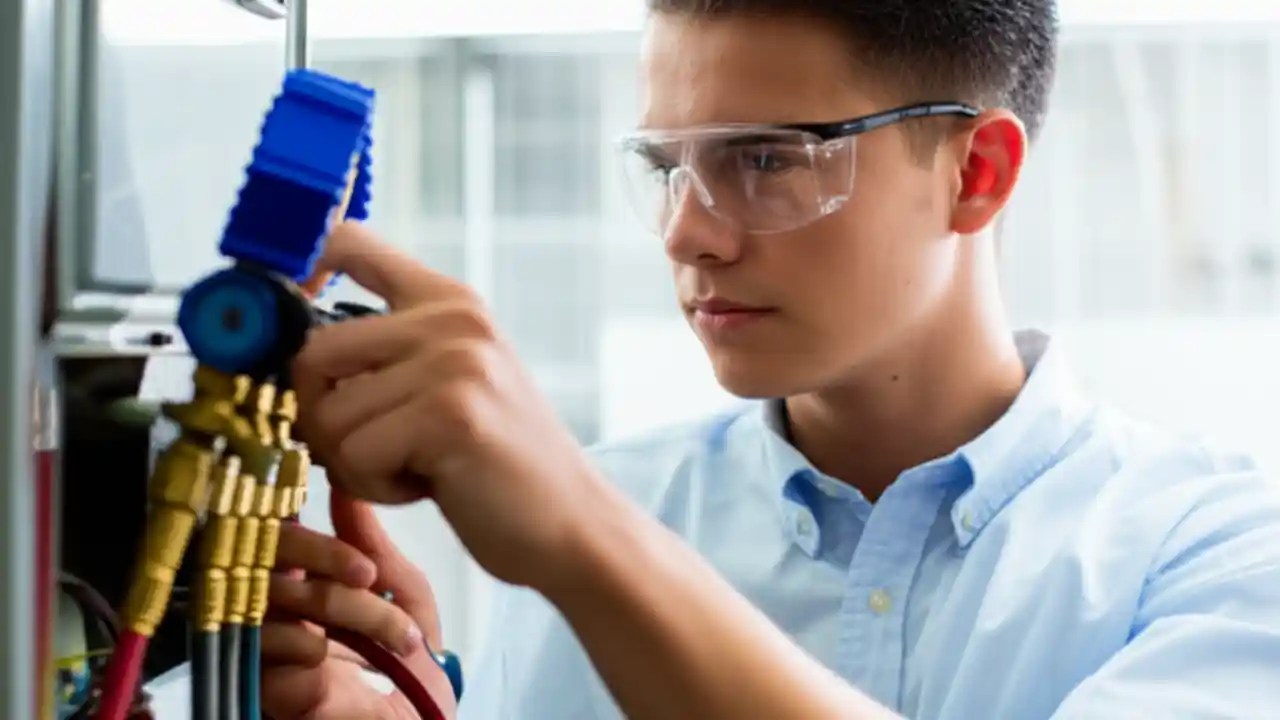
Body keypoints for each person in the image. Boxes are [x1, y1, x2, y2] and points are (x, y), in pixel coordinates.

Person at [260, 1, 1280, 718]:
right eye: (665, 167)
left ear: (976, 171)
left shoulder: (1211, 557)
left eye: (762, 161)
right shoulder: (611, 507)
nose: (685, 235)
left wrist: (585, 540)